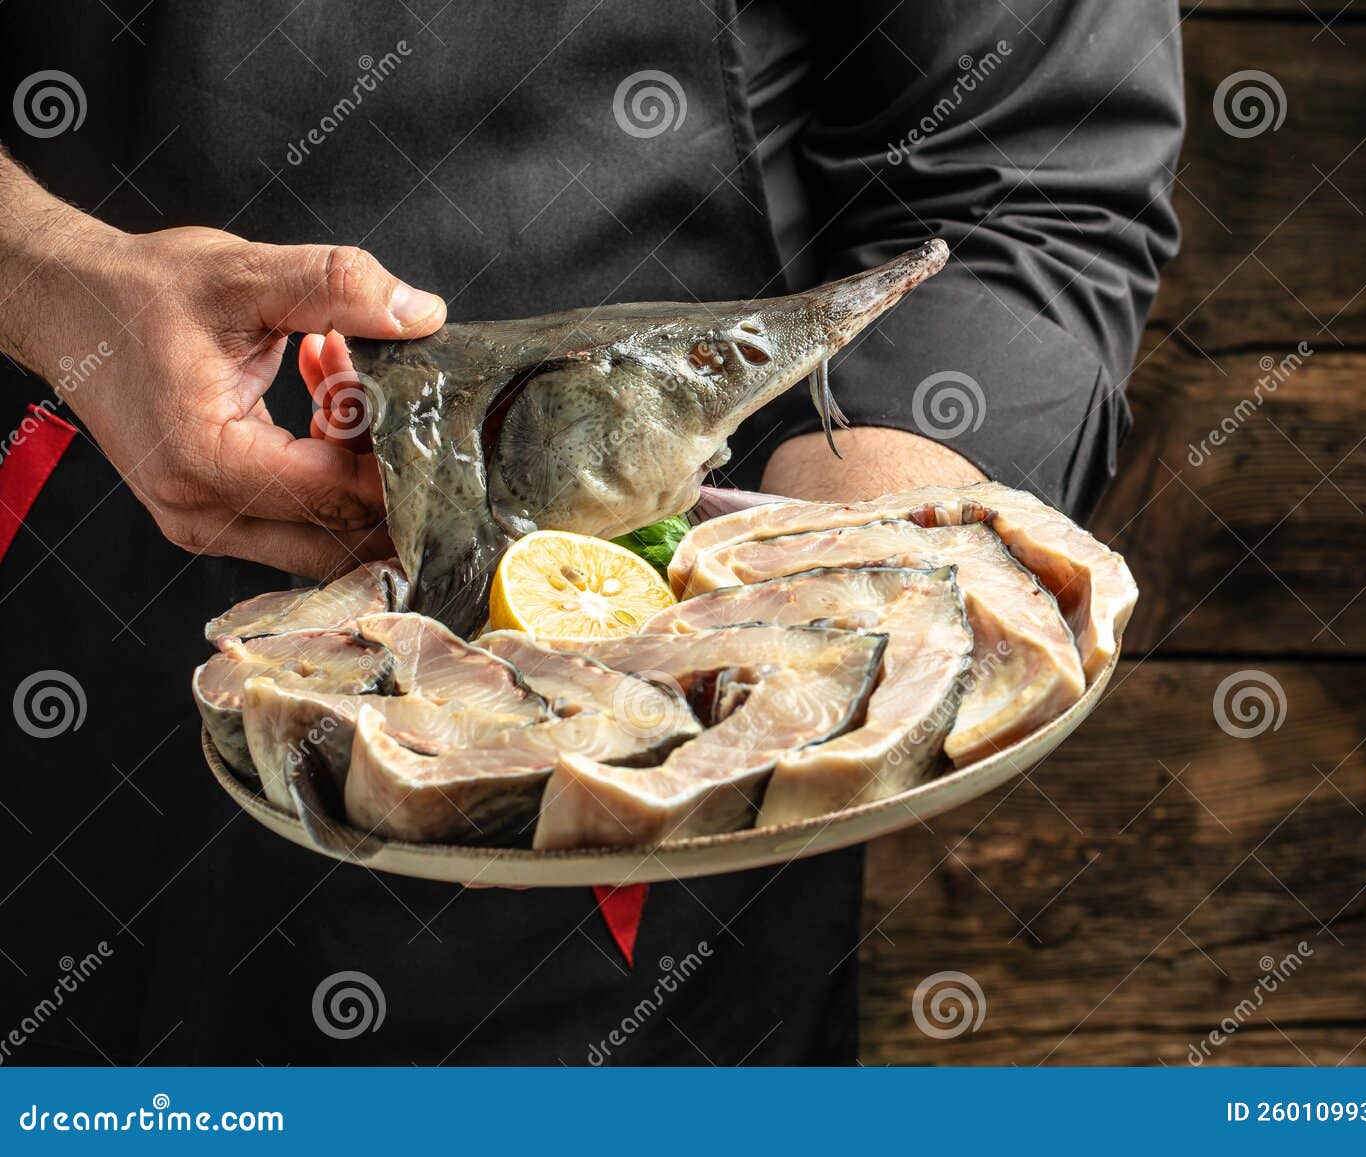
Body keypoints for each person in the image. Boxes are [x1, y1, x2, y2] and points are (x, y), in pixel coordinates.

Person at [0, 1, 1181, 1064]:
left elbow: (1035, 170)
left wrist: (839, 601)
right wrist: (49, 270)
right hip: (60, 649)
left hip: (652, 798)